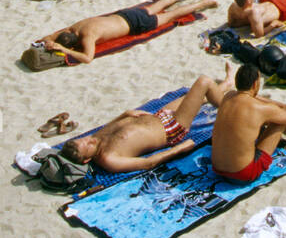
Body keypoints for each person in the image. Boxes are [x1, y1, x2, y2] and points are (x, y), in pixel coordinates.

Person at [60, 68, 236, 171]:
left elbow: (112, 125)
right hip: (172, 129)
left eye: (85, 139)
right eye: (88, 145)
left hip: (158, 116)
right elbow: (147, 163)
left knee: (192, 97)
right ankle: (233, 110)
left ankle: (224, 87)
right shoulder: (108, 159)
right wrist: (180, 149)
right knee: (203, 82)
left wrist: (126, 114)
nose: (90, 139)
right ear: (86, 160)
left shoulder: (95, 139)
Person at [40, 0, 216, 64]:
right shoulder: (75, 26)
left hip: (136, 24)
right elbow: (51, 35)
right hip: (126, 14)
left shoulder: (88, 37)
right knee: (157, 6)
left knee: (172, 15)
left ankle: (203, 2)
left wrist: (66, 50)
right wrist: (49, 42)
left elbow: (87, 58)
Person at [211, 62, 286, 182]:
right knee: (283, 119)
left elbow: (251, 96)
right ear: (255, 84)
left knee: (264, 120)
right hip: (242, 175)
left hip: (217, 168)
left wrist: (280, 104)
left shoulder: (228, 96)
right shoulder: (260, 109)